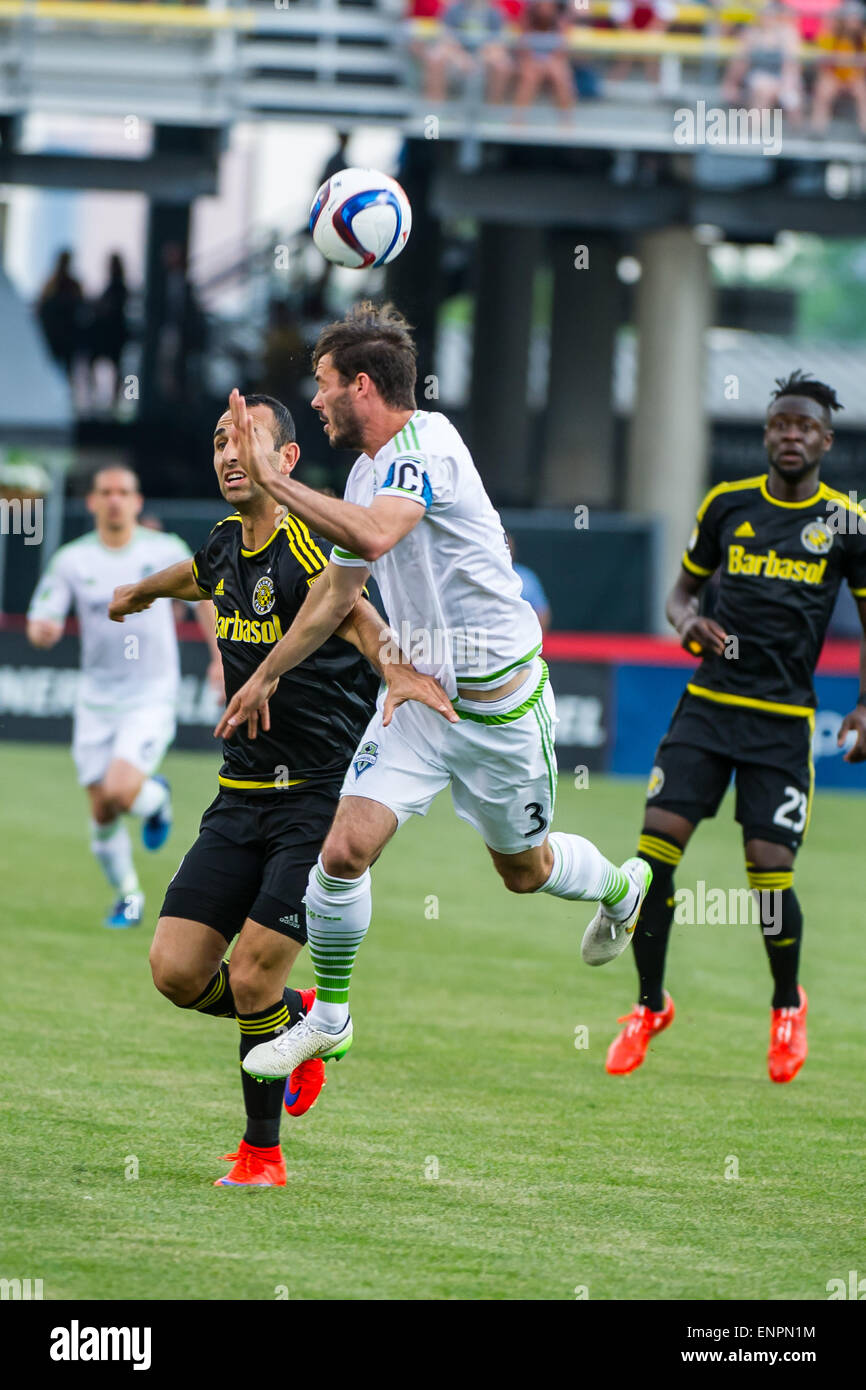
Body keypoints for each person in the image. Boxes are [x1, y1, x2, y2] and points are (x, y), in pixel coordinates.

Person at [211, 302, 654, 1087]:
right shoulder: (359, 473)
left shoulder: (429, 444)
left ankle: (623, 887)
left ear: (361, 385)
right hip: (420, 701)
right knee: (343, 850)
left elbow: (378, 534)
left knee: (523, 870)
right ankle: (333, 1017)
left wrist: (278, 478)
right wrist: (268, 671)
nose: (313, 403)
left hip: (499, 712)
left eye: (320, 386)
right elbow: (338, 592)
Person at [109, 392, 447, 1186]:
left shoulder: (307, 545)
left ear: (287, 460)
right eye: (220, 440)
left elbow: (358, 616)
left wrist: (395, 664)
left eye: (248, 439)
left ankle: (262, 1155)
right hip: (240, 794)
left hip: (318, 798)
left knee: (254, 972)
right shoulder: (228, 541)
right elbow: (197, 574)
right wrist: (142, 593)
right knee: (176, 971)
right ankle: (302, 1020)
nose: (229, 454)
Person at [604, 371, 866, 1084]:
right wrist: (690, 624)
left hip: (783, 723)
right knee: (653, 855)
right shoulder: (728, 507)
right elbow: (681, 594)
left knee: (769, 873)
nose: (790, 435)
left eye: (804, 426)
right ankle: (649, 1003)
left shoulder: (847, 522)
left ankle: (787, 1004)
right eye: (780, 423)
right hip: (709, 707)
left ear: (825, 440)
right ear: (766, 432)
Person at [27, 466, 221, 928]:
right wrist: (42, 631)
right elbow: (42, 619)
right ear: (92, 502)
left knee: (119, 789)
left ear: (137, 502)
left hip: (150, 693)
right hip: (95, 699)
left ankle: (156, 800)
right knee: (101, 808)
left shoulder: (163, 550)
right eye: (105, 492)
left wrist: (218, 660)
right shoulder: (72, 560)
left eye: (124, 492)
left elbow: (205, 599)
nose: (115, 500)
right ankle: (128, 896)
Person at [811, 6, 866, 136]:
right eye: (850, 18)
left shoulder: (862, 37)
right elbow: (822, 59)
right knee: (823, 91)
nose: (853, 21)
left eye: (856, 19)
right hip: (834, 76)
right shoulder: (831, 36)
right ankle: (817, 130)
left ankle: (864, 130)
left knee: (862, 93)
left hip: (854, 78)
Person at [88, 253, 129, 406]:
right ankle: (113, 400)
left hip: (109, 334)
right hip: (113, 334)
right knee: (115, 367)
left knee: (107, 365)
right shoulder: (119, 287)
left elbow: (109, 308)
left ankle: (105, 399)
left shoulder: (116, 288)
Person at [37, 249, 84, 377]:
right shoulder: (69, 285)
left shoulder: (52, 285)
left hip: (60, 335)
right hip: (62, 335)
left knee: (56, 370)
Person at [507, 531, 551, 632]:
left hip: (523, 639)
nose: (507, 550)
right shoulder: (482, 575)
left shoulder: (526, 577)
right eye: (504, 546)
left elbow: (543, 613)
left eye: (509, 546)